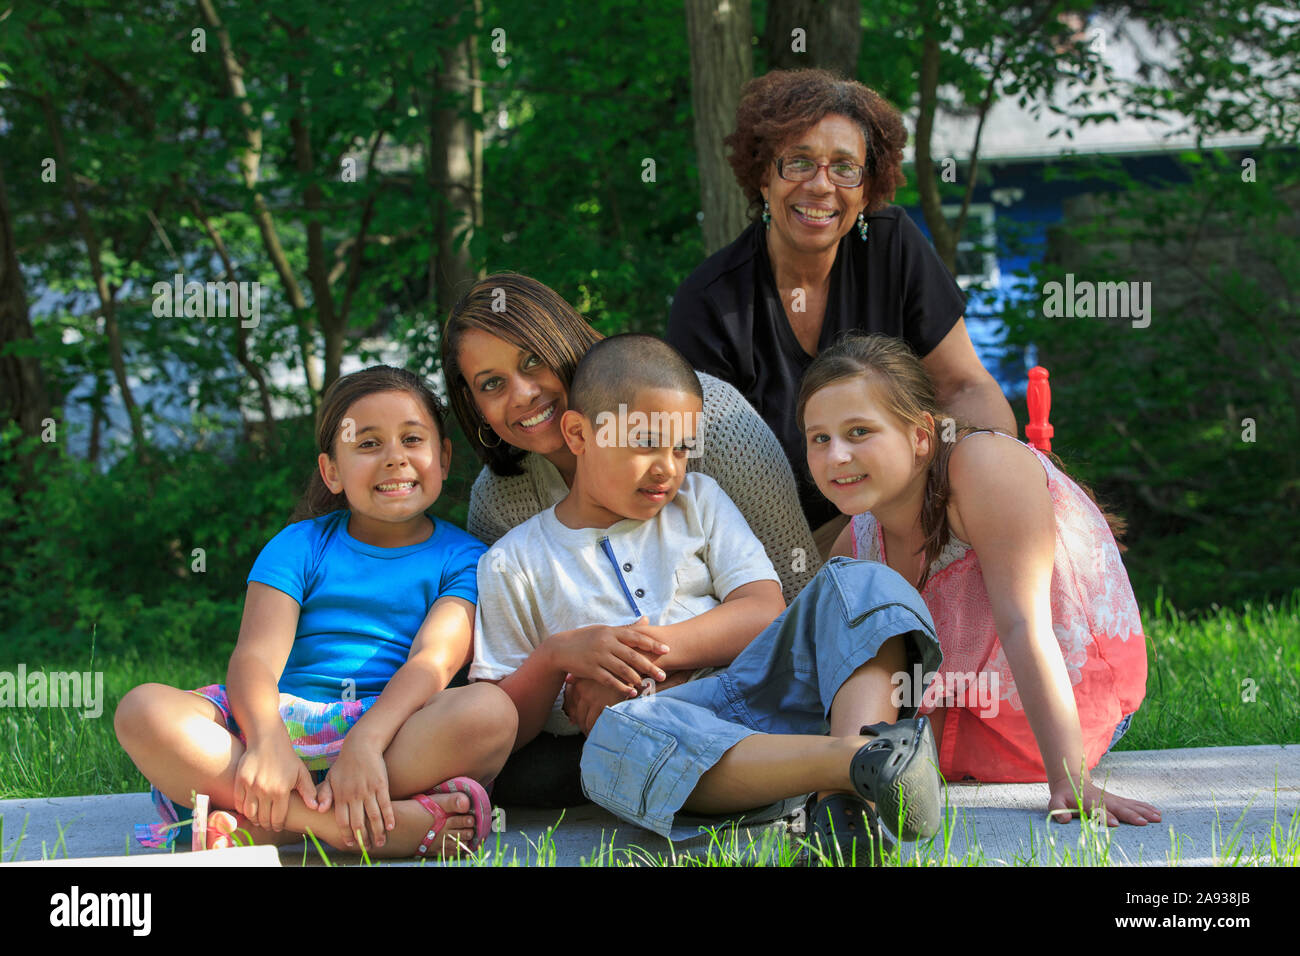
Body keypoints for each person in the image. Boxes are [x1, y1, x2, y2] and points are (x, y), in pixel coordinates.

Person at [473, 334, 946, 862]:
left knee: (860, 581)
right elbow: (503, 720)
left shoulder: (699, 502)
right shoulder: (512, 561)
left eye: (680, 448)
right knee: (610, 742)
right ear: (579, 433)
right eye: (646, 442)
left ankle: (843, 806)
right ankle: (860, 765)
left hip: (767, 695)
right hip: (672, 749)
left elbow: (763, 611)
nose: (667, 467)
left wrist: (643, 657)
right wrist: (560, 656)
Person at [441, 272, 821, 808]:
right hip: (607, 726)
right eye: (491, 384)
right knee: (542, 770)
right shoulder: (502, 506)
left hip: (753, 671)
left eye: (532, 361)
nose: (523, 394)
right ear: (474, 407)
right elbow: (513, 684)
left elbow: (794, 593)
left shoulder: (703, 415)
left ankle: (835, 758)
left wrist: (652, 669)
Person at [115, 366, 518, 858]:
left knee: (492, 712)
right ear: (332, 471)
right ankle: (341, 824)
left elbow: (431, 663)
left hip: (392, 735)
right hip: (276, 723)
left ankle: (265, 822)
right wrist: (266, 743)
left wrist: (365, 744)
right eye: (368, 444)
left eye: (412, 439)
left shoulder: (466, 558)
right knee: (143, 710)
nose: (395, 459)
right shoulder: (299, 545)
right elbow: (255, 660)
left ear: (444, 457)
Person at [798, 333, 1161, 826]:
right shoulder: (857, 541)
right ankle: (843, 817)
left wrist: (1071, 782)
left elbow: (1024, 624)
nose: (836, 454)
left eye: (859, 431)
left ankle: (844, 790)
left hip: (1066, 705)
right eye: (820, 438)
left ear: (921, 435)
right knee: (847, 636)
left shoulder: (983, 465)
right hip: (954, 715)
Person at [666, 68, 1016, 555]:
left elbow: (964, 386)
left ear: (867, 189)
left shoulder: (895, 248)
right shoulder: (708, 303)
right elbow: (696, 473)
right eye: (799, 162)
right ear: (764, 177)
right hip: (771, 552)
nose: (821, 186)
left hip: (914, 513)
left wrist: (998, 477)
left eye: (844, 167)